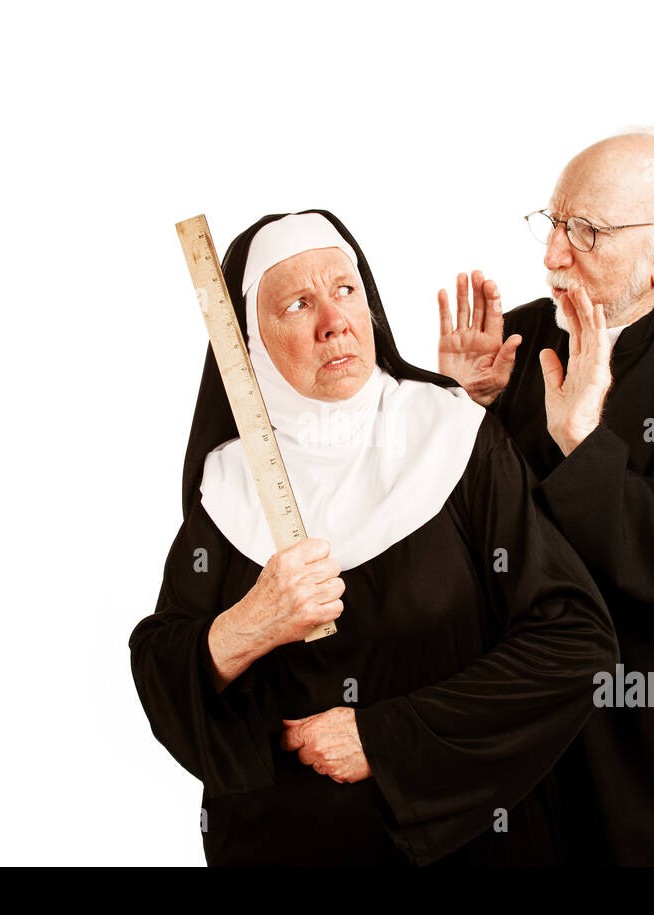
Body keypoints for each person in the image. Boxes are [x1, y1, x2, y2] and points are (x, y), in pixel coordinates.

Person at [129, 210, 617, 866]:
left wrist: (386, 741)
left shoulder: (455, 437)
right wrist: (248, 625)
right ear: (247, 345)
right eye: (298, 304)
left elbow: (573, 642)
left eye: (345, 290)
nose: (333, 322)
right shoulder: (229, 485)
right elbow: (160, 664)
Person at [438, 132, 654, 865]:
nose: (552, 255)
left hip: (642, 805)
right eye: (553, 223)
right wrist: (455, 412)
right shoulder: (520, 339)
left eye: (587, 232)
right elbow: (453, 560)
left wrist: (584, 447)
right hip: (495, 794)